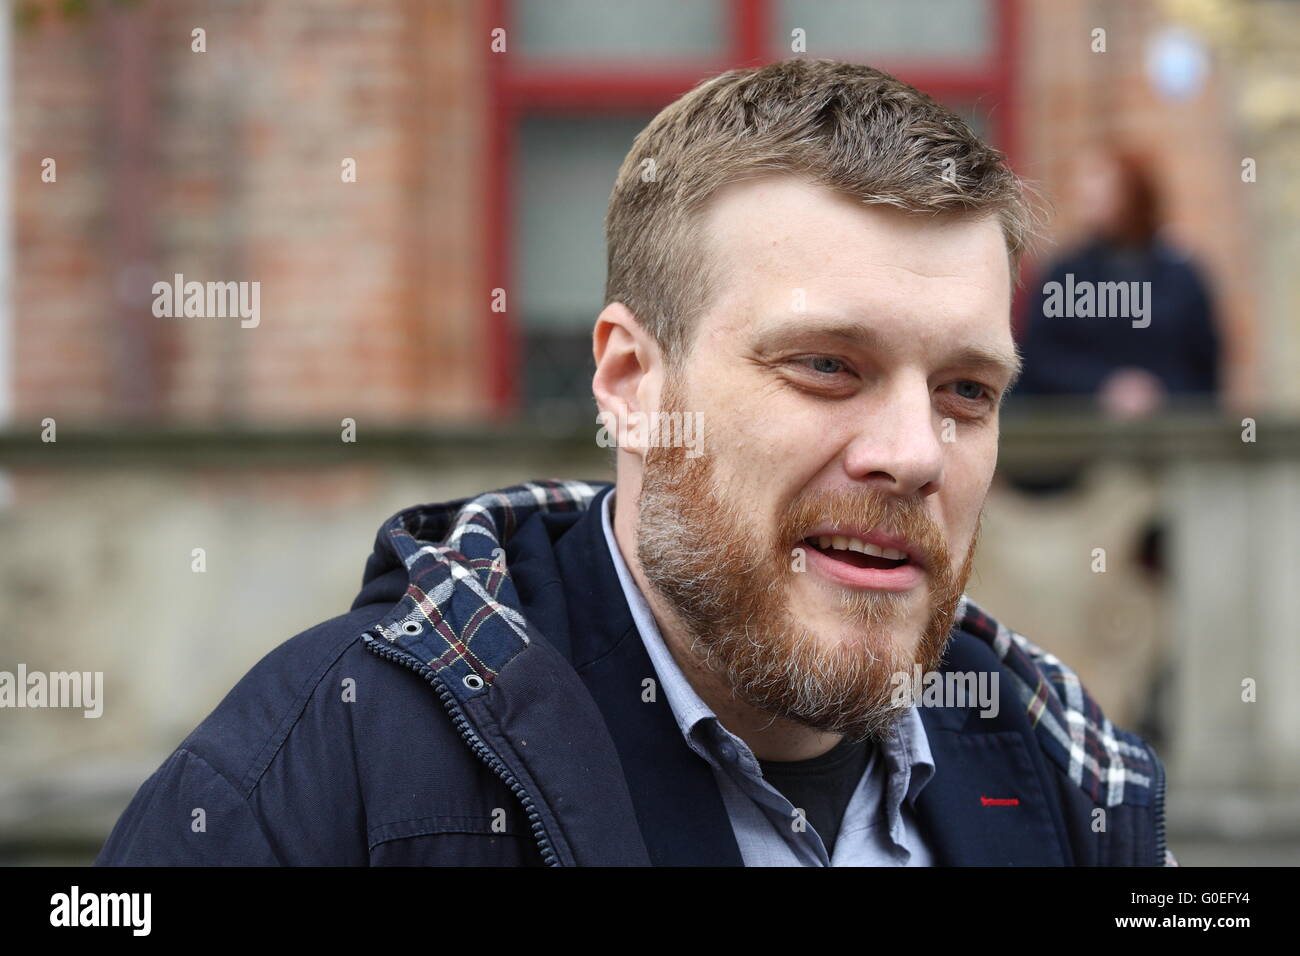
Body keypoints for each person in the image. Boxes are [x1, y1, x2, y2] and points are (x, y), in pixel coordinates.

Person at [95, 59, 1173, 867]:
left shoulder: (1078, 779)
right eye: (826, 366)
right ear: (630, 382)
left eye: (966, 391)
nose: (911, 454)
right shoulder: (328, 772)